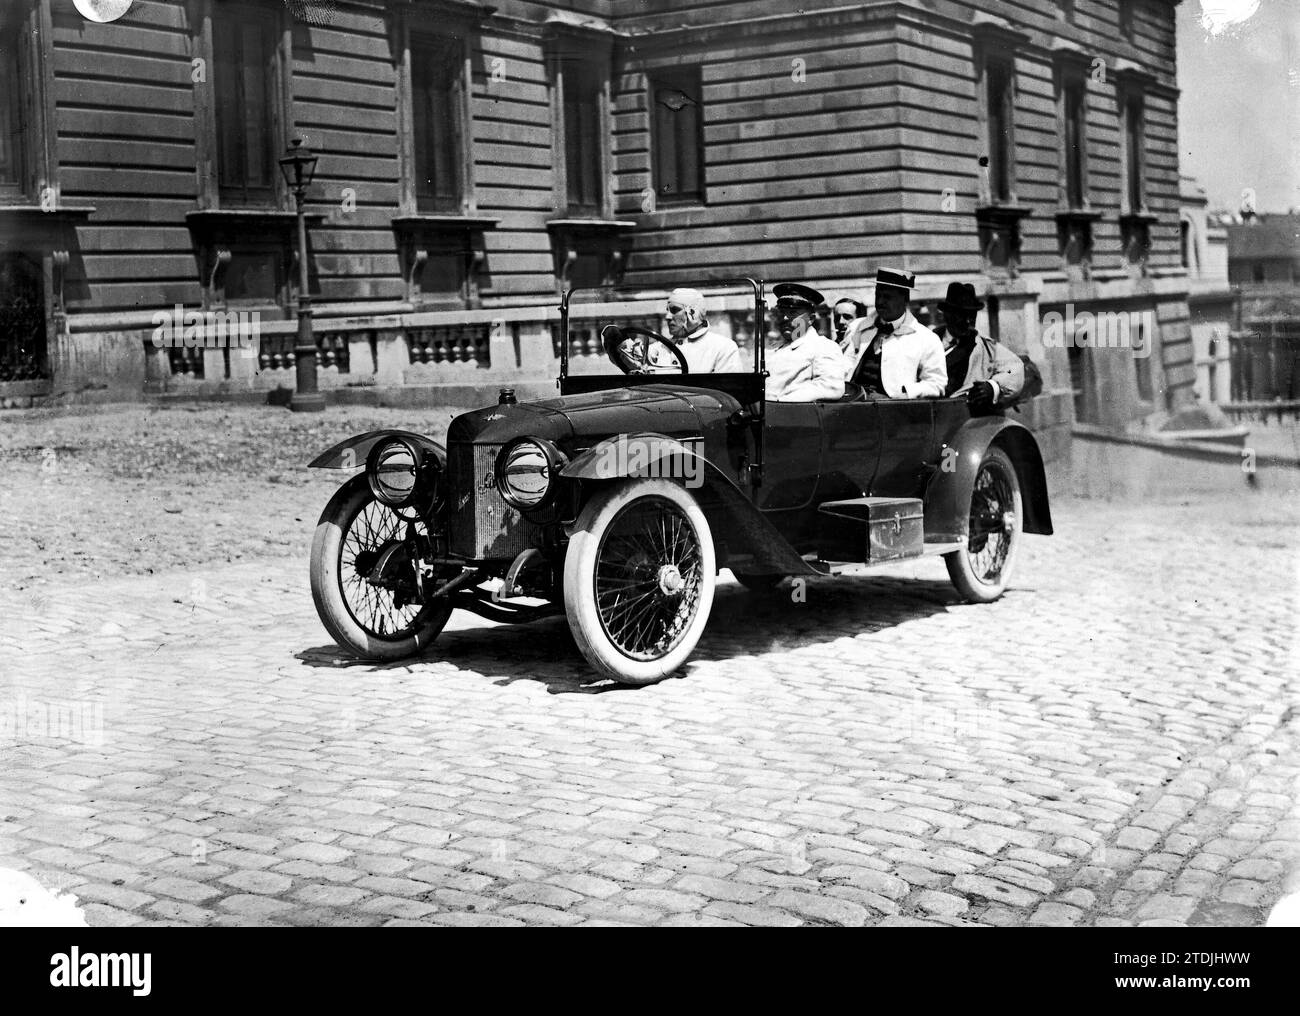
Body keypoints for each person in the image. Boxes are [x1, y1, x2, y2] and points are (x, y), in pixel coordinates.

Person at [844, 267, 947, 399]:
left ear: (905, 298)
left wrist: (905, 394)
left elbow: (936, 383)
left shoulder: (926, 339)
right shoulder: (856, 327)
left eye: (887, 297)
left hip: (893, 410)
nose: (880, 302)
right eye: (878, 295)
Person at [934, 282, 1024, 410]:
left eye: (972, 315)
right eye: (962, 314)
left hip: (963, 415)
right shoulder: (926, 340)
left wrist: (993, 387)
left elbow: (1015, 368)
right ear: (947, 315)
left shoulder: (986, 347)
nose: (968, 321)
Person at [765, 283, 845, 402]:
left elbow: (830, 386)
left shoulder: (824, 347)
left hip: (792, 414)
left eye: (793, 313)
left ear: (811, 319)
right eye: (782, 312)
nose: (785, 318)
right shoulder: (771, 348)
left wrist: (781, 401)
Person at [650, 287, 742, 373]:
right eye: (668, 310)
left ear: (693, 313)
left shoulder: (723, 348)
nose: (667, 317)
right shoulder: (655, 349)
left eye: (674, 310)